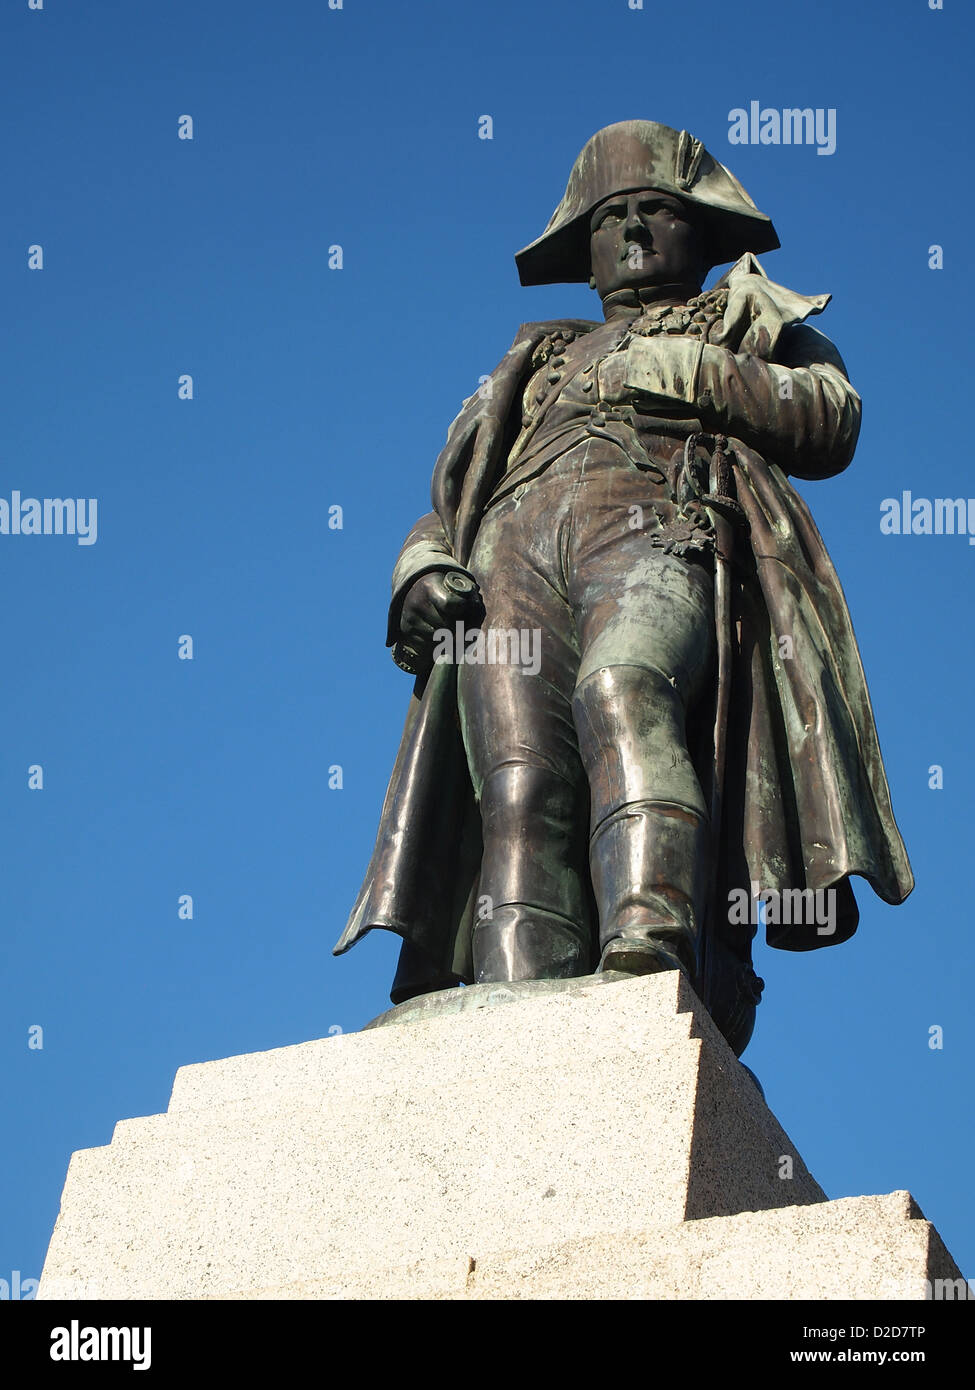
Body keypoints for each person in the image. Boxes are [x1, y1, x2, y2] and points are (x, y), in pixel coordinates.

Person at [334, 120, 913, 1055]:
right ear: (585, 245)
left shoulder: (747, 317)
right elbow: (454, 491)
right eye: (611, 218)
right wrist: (421, 564)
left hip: (660, 524)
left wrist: (685, 369)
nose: (633, 231)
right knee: (517, 778)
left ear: (700, 229)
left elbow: (827, 420)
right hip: (510, 549)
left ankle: (649, 947)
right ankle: (517, 995)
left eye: (654, 211)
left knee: (624, 687)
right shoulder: (531, 363)